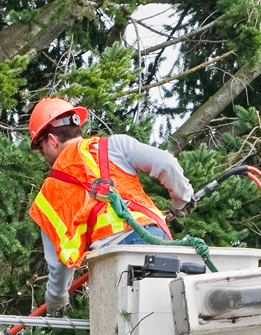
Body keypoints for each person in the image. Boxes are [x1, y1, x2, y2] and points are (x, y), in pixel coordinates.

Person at [27, 98, 196, 312]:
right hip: (157, 240)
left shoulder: (50, 194)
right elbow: (166, 163)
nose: (44, 157)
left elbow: (59, 265)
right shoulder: (113, 146)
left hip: (114, 259)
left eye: (41, 149)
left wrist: (56, 300)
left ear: (51, 139)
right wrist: (182, 200)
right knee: (170, 315)